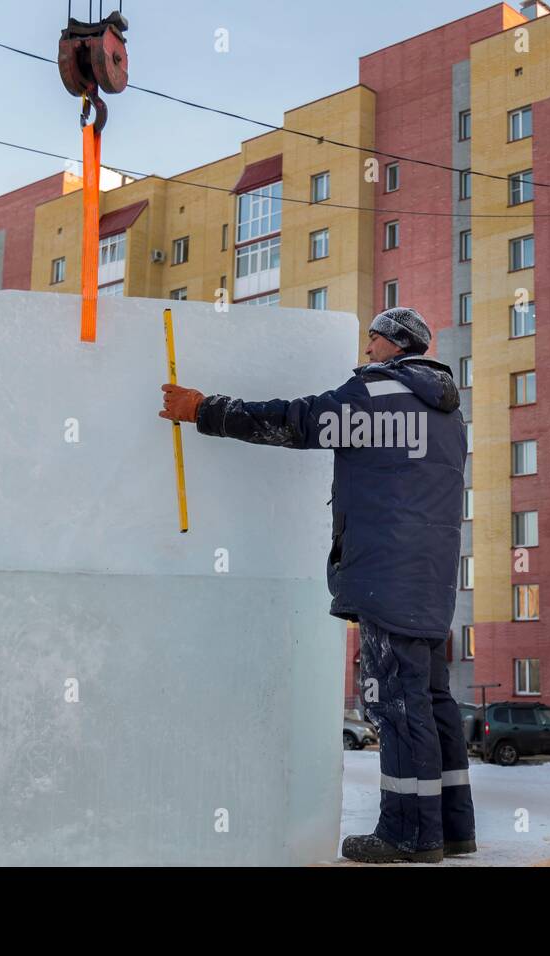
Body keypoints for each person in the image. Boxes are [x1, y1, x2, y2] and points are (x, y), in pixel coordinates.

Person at [160, 306, 476, 864]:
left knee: (396, 704)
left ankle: (407, 835)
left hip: (386, 571)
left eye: (373, 338)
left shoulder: (379, 395)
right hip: (431, 576)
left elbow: (298, 421)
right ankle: (452, 829)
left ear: (393, 344)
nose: (367, 347)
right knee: (431, 699)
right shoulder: (447, 413)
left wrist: (204, 409)